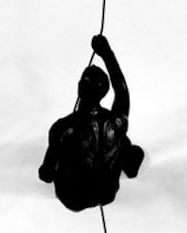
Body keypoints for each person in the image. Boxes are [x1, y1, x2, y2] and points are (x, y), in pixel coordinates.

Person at [39, 35, 144, 212]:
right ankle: (128, 166)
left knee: (63, 150)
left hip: (74, 200)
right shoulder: (117, 122)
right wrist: (106, 52)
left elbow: (46, 175)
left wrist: (51, 168)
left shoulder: (63, 128)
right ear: (104, 92)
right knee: (126, 144)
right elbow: (122, 90)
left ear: (79, 87)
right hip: (108, 194)